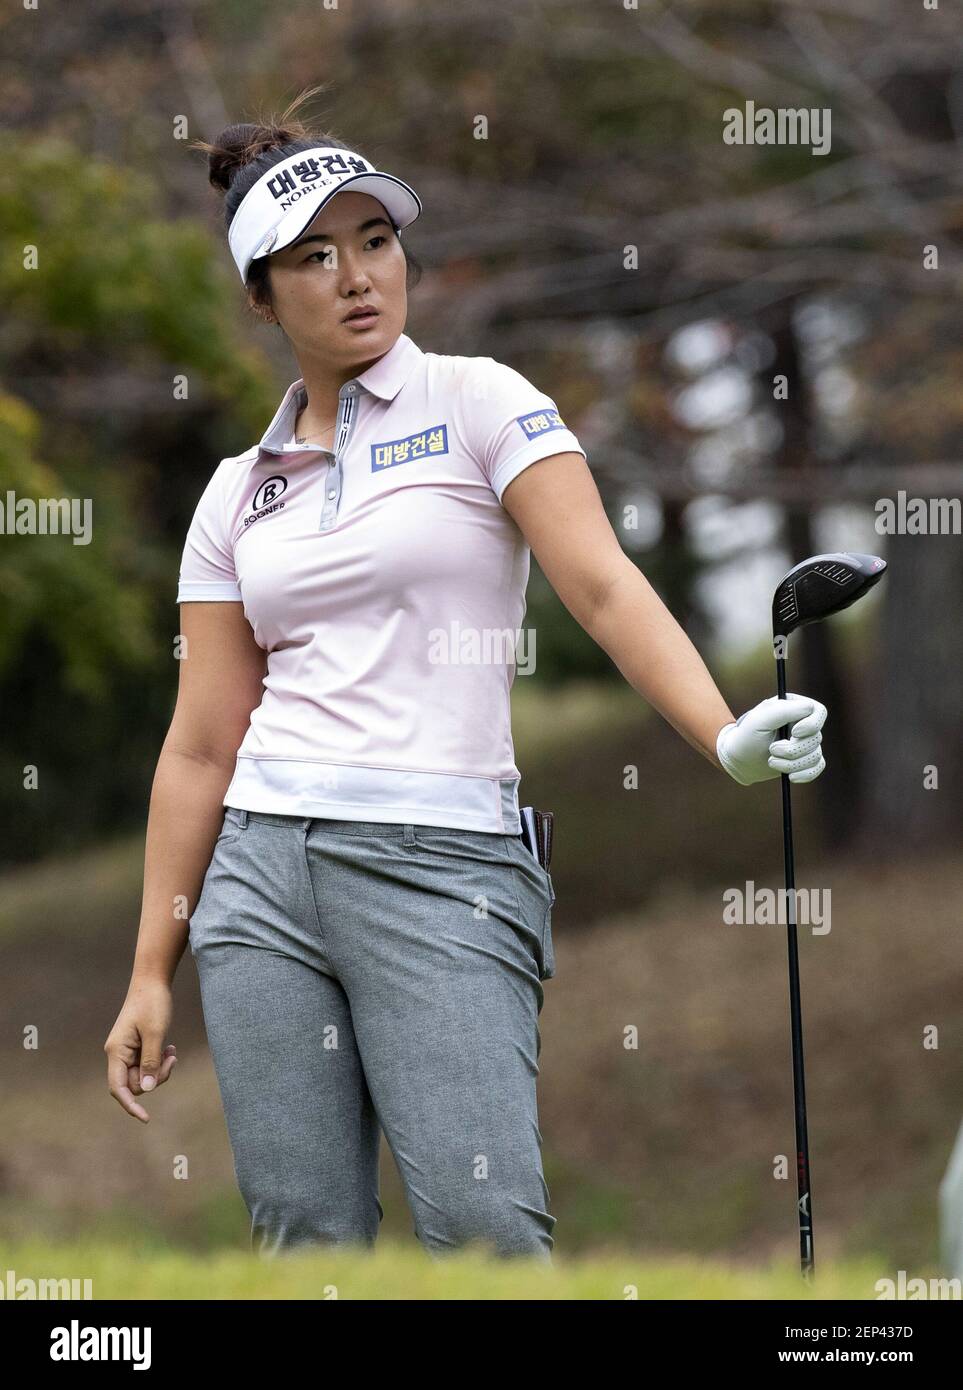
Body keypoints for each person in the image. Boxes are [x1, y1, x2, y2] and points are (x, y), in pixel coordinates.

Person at [104, 90, 828, 1263]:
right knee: (306, 1241)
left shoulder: (482, 403)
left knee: (486, 1231)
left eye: (376, 241)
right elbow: (200, 743)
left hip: (446, 867)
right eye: (315, 256)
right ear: (260, 295)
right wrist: (149, 968)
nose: (357, 277)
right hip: (259, 881)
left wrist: (723, 731)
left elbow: (602, 586)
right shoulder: (236, 491)